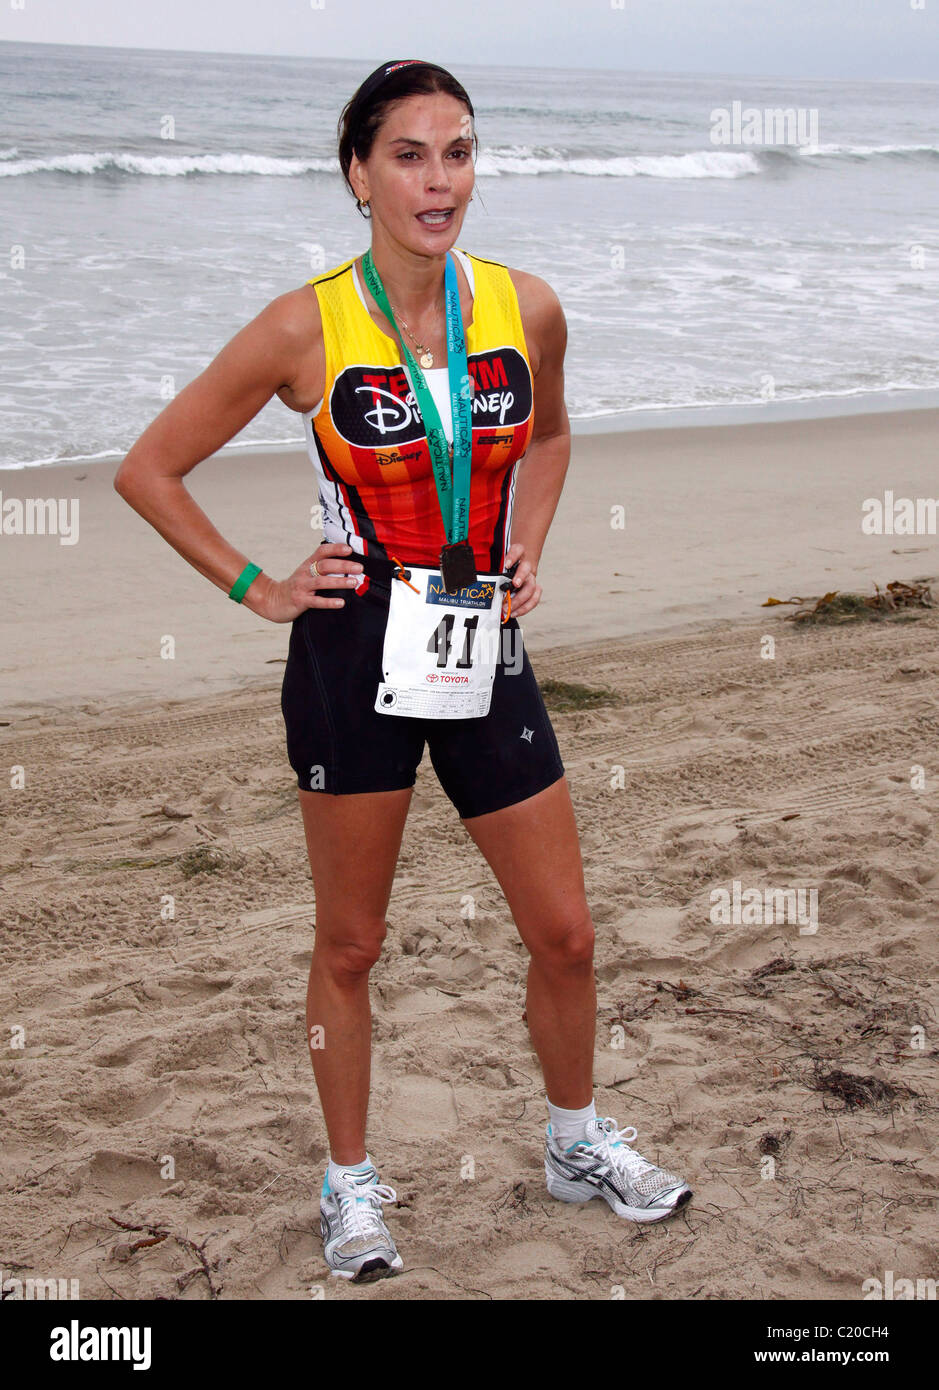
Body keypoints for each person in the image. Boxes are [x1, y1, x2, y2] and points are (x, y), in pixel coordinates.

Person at [114, 57, 691, 1286]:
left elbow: (550, 433)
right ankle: (350, 1182)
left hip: (482, 633)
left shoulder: (525, 306)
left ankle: (576, 1142)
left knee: (570, 934)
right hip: (351, 646)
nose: (441, 181)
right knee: (354, 944)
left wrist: (528, 540)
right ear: (358, 175)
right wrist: (259, 587)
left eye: (460, 152)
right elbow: (150, 468)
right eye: (412, 156)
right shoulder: (300, 326)